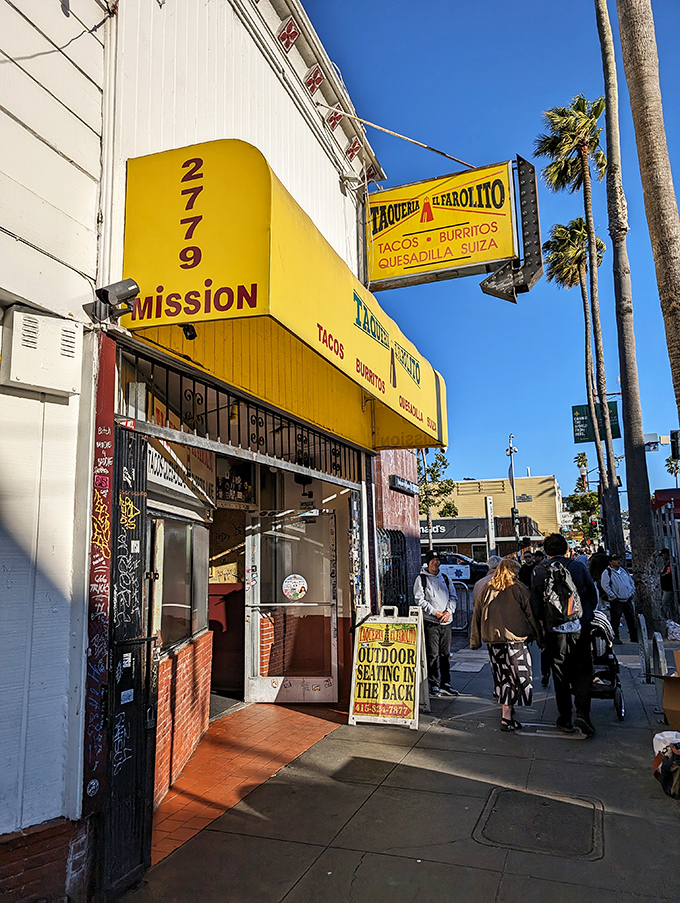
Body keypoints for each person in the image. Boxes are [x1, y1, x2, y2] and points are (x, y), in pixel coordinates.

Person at [531, 532, 599, 737]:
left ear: (545, 551)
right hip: (578, 627)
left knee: (559, 674)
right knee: (583, 672)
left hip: (554, 631)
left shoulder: (538, 571)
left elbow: (535, 604)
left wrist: (541, 627)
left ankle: (565, 718)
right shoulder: (577, 566)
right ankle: (583, 714)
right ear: (566, 549)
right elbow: (592, 596)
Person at [470, 558, 542, 731]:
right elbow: (531, 614)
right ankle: (507, 717)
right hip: (515, 641)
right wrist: (540, 637)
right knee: (517, 677)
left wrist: (475, 640)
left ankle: (507, 712)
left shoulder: (487, 589)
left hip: (494, 642)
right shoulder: (518, 588)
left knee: (502, 678)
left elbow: (477, 615)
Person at [413, 550, 458, 697]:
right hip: (431, 623)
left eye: (437, 559)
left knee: (445, 654)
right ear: (428, 562)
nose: (435, 562)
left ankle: (446, 683)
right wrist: (435, 612)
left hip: (446, 623)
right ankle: (434, 683)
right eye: (432, 560)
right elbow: (419, 599)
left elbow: (453, 596)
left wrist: (448, 612)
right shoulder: (421, 579)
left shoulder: (445, 578)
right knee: (432, 654)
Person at [600, 553, 638, 644]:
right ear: (610, 562)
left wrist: (631, 592)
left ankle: (633, 636)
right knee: (615, 619)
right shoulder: (607, 572)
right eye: (615, 560)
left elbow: (630, 582)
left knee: (631, 619)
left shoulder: (623, 571)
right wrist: (613, 596)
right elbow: (605, 586)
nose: (618, 562)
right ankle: (615, 636)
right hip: (617, 601)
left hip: (627, 599)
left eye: (619, 560)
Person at [660, 548, 674, 618]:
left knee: (665, 603)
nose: (662, 557)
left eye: (663, 555)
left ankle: (667, 618)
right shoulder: (666, 562)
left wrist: (662, 575)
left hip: (669, 587)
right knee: (667, 603)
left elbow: (668, 574)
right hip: (666, 587)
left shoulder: (671, 561)